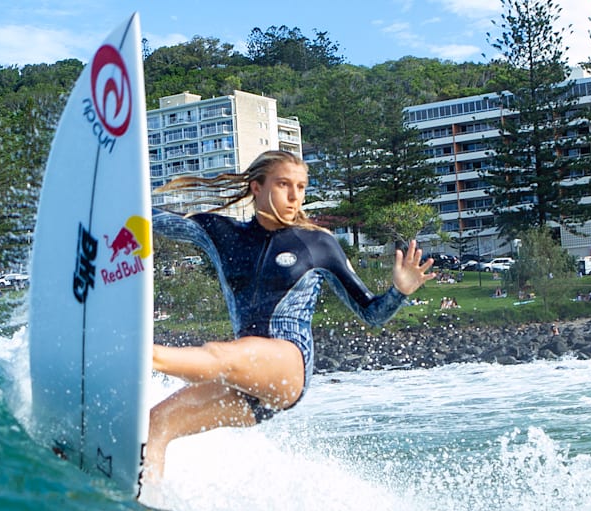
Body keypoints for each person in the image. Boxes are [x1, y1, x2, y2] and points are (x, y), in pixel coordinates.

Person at [146, 151, 435, 481]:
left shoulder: (317, 244)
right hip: (250, 391)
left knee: (222, 355)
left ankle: (143, 356)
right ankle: (145, 503)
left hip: (288, 366)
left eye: (301, 186)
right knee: (158, 422)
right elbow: (153, 219)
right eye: (284, 184)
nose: (295, 196)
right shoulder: (220, 233)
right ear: (257, 186)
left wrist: (400, 290)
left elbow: (371, 313)